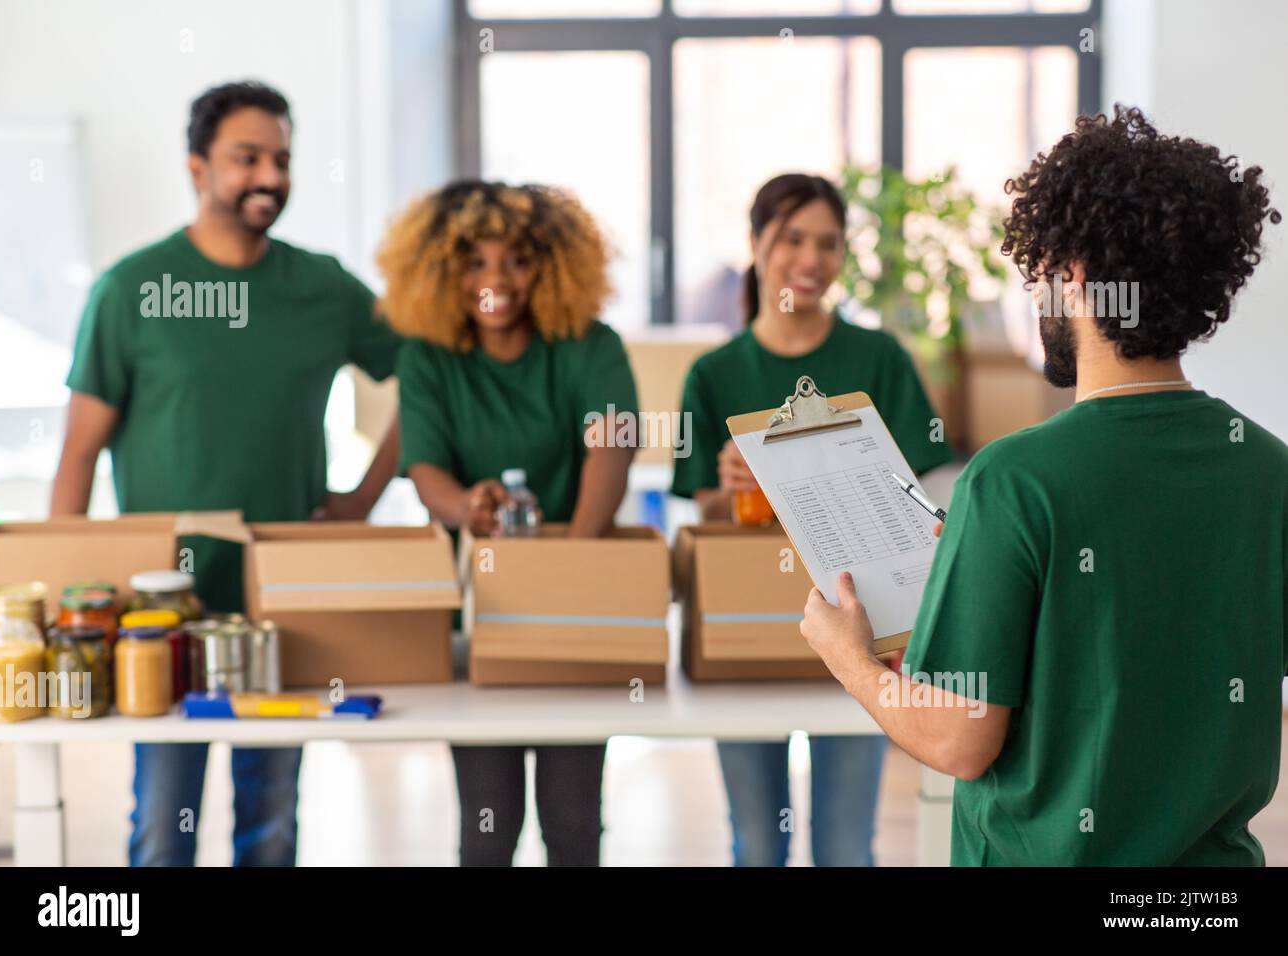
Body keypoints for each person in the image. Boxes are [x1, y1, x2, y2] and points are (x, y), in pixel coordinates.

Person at [801, 106, 1286, 865]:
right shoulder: (1269, 468)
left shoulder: (1015, 480)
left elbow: (962, 740)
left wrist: (850, 661)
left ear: (1076, 277)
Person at [52, 80, 402, 866]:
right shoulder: (133, 290)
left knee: (271, 824)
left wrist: (362, 499)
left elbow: (433, 377)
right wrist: (67, 592)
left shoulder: (324, 287)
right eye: (247, 158)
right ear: (196, 167)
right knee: (160, 826)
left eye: (281, 159)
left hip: (286, 606)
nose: (269, 177)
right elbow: (77, 451)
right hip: (163, 612)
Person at [671, 173, 952, 866]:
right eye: (793, 237)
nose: (812, 258)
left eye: (828, 243)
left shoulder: (878, 359)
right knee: (759, 845)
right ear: (757, 244)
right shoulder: (710, 374)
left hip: (864, 629)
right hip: (747, 636)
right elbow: (696, 514)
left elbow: (925, 490)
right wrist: (727, 485)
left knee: (846, 847)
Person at [377, 180, 638, 866]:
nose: (497, 281)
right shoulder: (427, 358)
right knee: (489, 830)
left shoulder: (589, 345)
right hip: (481, 612)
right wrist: (468, 507)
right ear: (441, 271)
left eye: (517, 261)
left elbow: (610, 445)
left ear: (550, 266)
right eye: (475, 263)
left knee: (574, 826)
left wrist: (569, 568)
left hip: (578, 615)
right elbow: (425, 468)